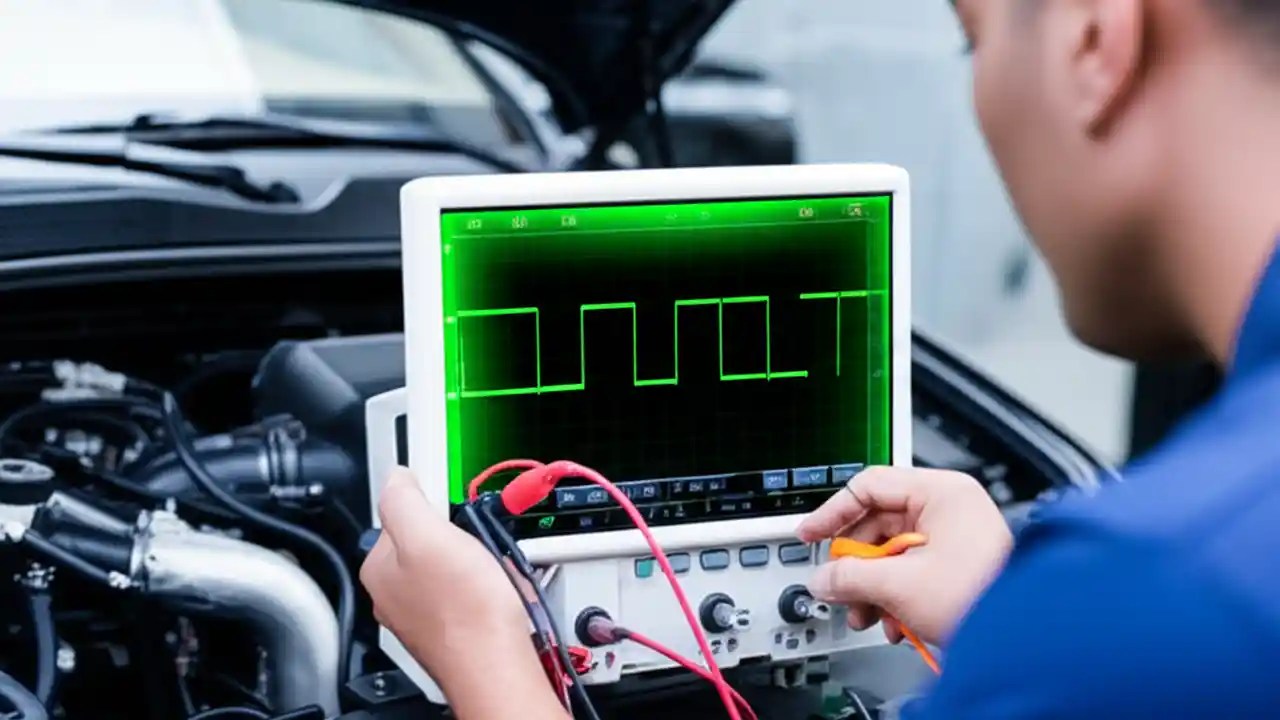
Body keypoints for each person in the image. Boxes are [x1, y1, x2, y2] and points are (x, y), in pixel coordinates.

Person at [360, 0, 1280, 716]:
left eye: (974, 40)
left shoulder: (1167, 592)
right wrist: (1004, 615)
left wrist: (488, 666)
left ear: (1095, 35)